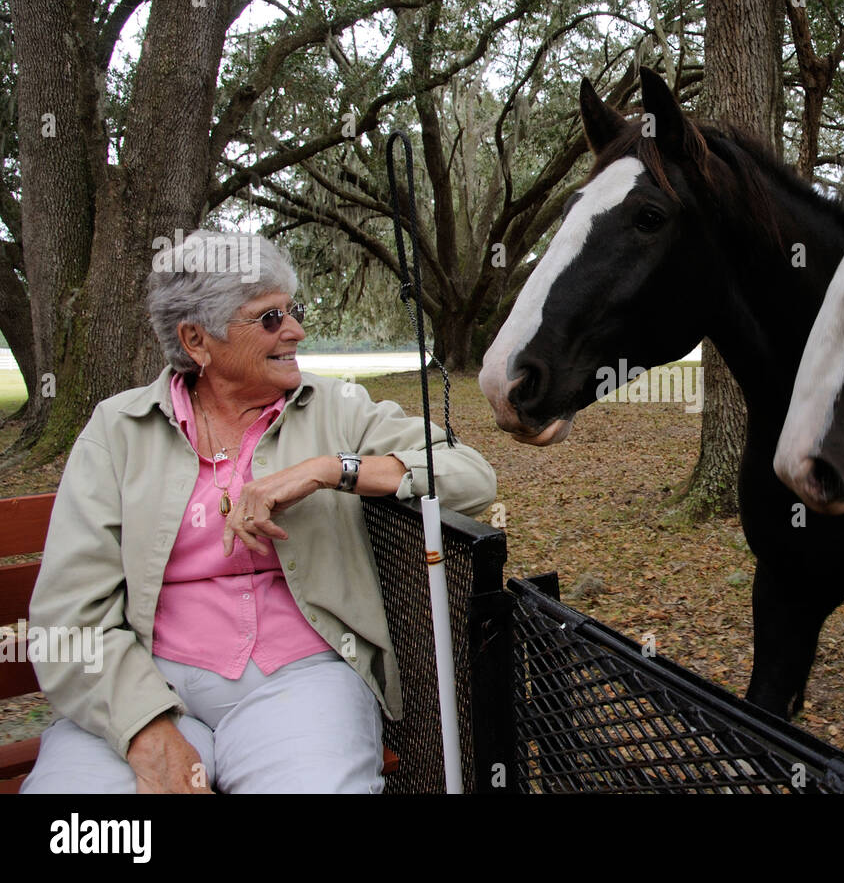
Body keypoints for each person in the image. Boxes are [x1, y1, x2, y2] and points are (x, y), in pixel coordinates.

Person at [21, 230, 497, 793]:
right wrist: (147, 732)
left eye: (292, 310)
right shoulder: (118, 430)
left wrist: (329, 469)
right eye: (269, 318)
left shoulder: (336, 408)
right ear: (197, 340)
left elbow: (470, 476)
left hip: (301, 681)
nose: (296, 330)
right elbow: (70, 615)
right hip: (147, 681)